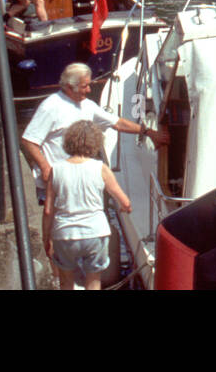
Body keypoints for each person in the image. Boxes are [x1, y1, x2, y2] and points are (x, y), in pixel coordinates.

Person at [21, 63, 168, 248]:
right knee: (56, 223)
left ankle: (80, 258)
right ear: (68, 87)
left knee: (86, 220)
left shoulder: (87, 105)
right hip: (57, 178)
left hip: (82, 176)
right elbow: (29, 140)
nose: (89, 90)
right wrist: (44, 167)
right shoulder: (50, 107)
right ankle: (55, 260)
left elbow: (117, 123)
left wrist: (148, 132)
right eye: (85, 86)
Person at [43, 120, 132, 291]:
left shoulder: (56, 169)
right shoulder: (101, 168)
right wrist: (125, 208)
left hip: (65, 233)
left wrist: (47, 238)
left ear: (68, 142)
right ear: (96, 143)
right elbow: (125, 202)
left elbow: (48, 210)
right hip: (95, 233)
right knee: (93, 282)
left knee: (66, 282)